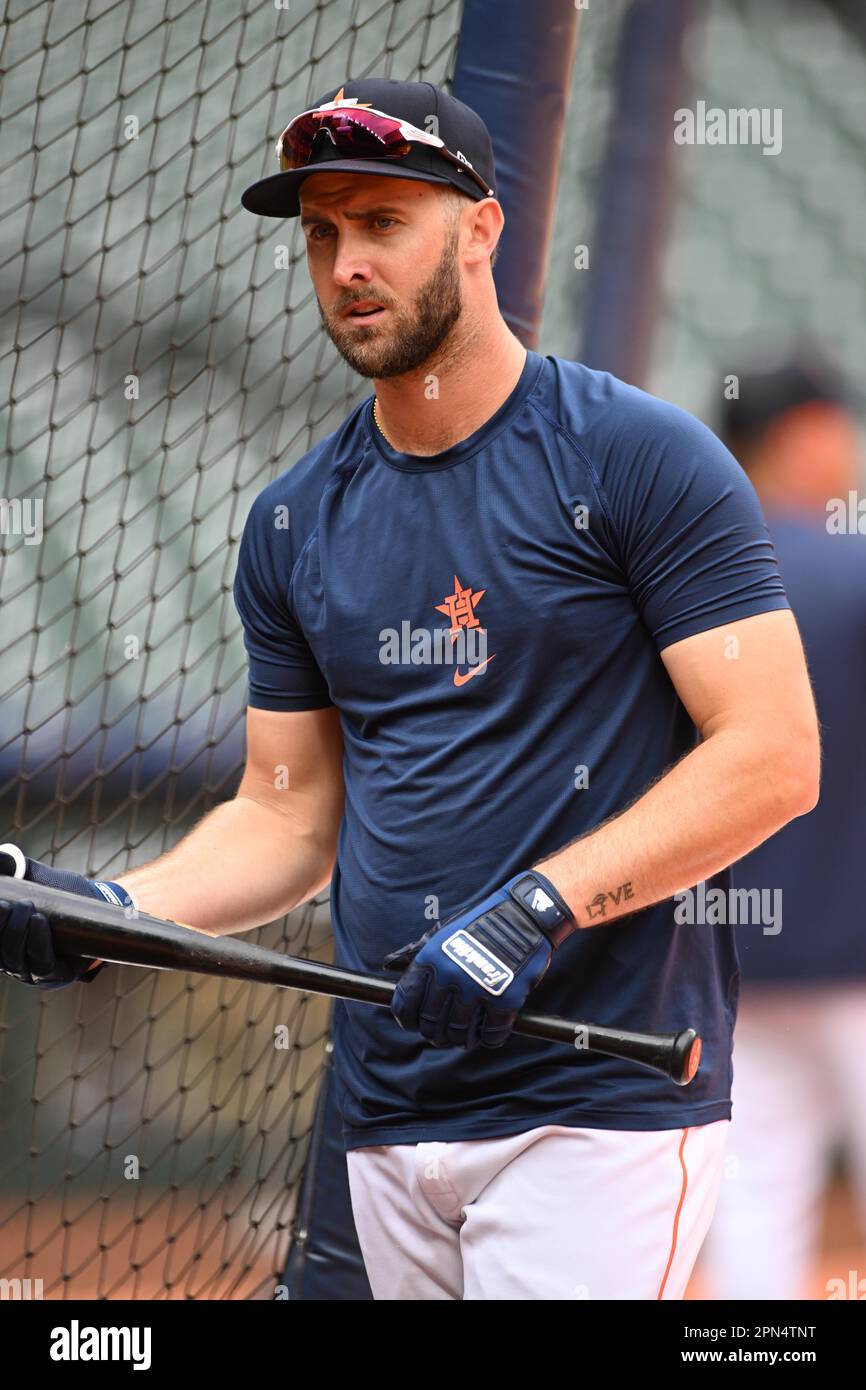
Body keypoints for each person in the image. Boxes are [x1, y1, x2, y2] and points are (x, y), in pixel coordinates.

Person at [0, 80, 820, 1301]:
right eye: (322, 234)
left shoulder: (641, 459)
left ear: (480, 229)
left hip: (592, 1106)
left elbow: (770, 755)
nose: (344, 264)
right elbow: (286, 819)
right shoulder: (291, 520)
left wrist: (532, 910)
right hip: (386, 1109)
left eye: (382, 221)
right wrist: (116, 907)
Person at [700, 358, 866, 1299]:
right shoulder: (854, 564)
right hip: (858, 966)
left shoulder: (683, 582)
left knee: (754, 1209)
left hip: (732, 965)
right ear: (805, 436)